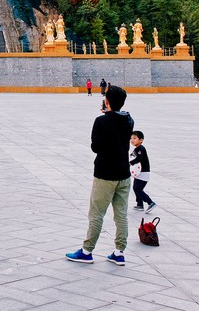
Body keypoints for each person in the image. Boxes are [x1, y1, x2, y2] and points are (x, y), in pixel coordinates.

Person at [66, 85, 134, 266]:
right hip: (124, 174)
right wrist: (110, 112)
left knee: (96, 214)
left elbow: (95, 147)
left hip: (105, 174)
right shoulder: (129, 120)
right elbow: (118, 121)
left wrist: (105, 115)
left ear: (107, 101)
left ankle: (87, 251)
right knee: (121, 215)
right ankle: (119, 252)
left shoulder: (101, 121)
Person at [130, 130, 156, 213]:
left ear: (141, 140)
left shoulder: (141, 148)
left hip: (143, 173)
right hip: (139, 172)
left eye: (134, 138)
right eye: (131, 138)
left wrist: (130, 163)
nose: (132, 140)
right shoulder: (137, 149)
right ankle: (139, 204)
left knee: (138, 189)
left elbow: (139, 159)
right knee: (136, 188)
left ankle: (150, 202)